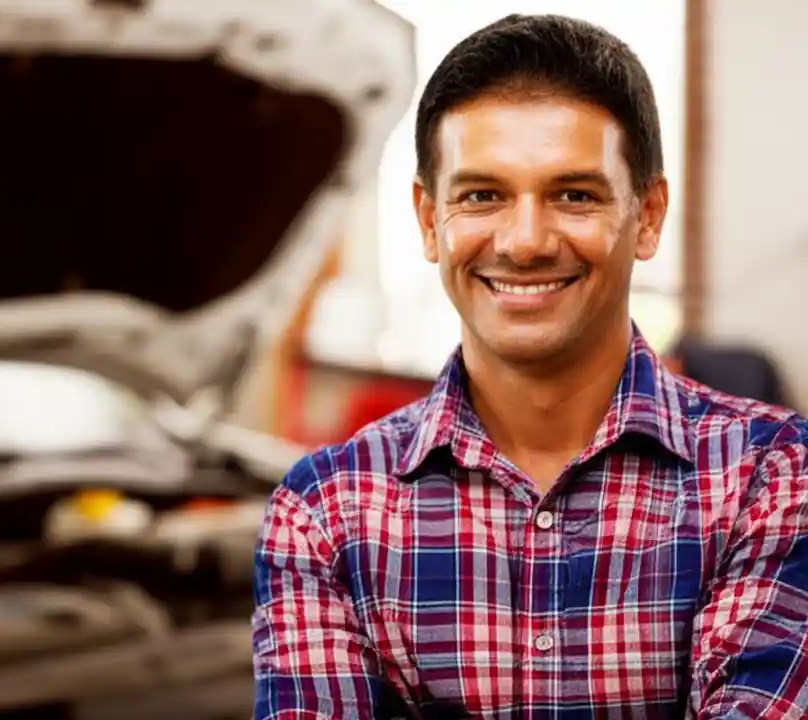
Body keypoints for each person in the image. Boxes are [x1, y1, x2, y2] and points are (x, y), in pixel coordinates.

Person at [251, 13, 808, 719]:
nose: (524, 242)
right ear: (429, 221)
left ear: (648, 215)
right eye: (483, 195)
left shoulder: (772, 479)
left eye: (574, 195)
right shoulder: (325, 515)